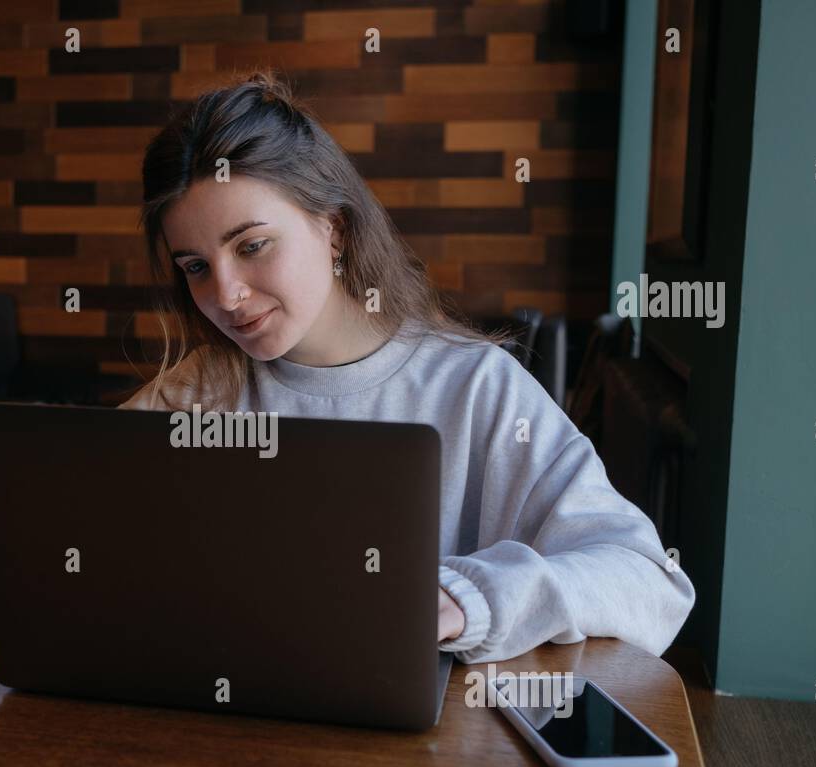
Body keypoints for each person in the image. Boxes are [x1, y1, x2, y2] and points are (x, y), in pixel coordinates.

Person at [120, 71, 696, 665]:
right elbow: (76, 539)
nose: (227, 294)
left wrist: (467, 599)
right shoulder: (200, 389)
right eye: (195, 266)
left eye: (252, 246)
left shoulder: (476, 387)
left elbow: (648, 584)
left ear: (334, 229)